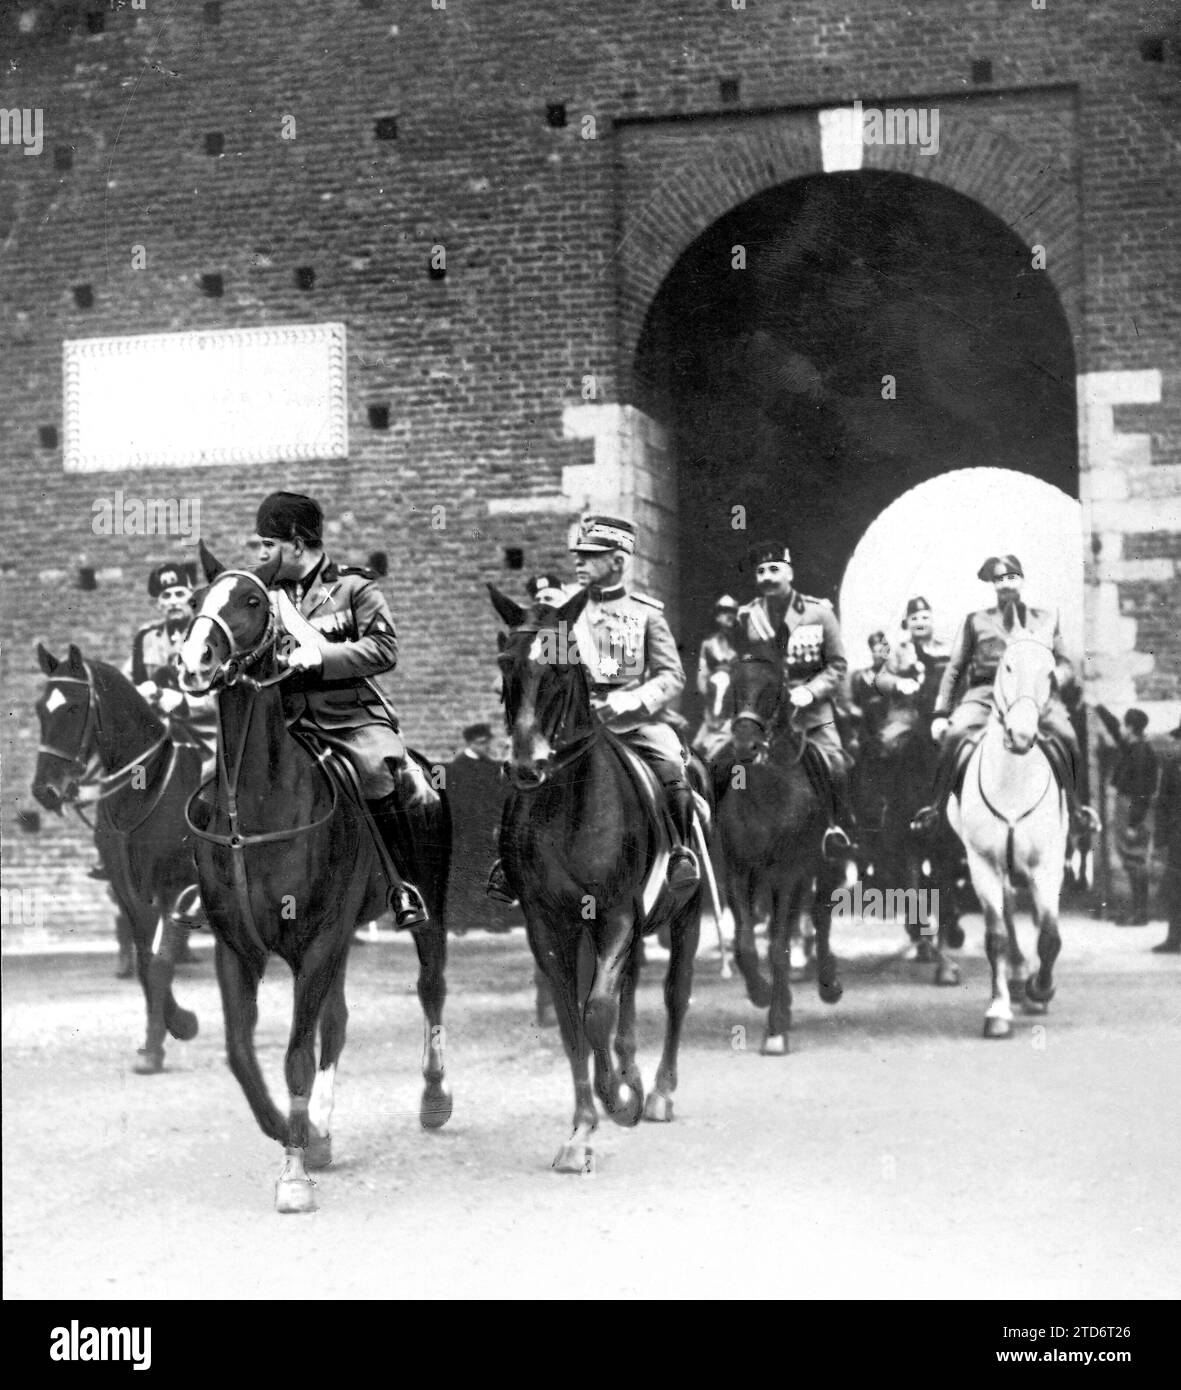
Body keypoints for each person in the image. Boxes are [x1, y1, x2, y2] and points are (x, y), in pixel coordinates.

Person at [246, 490, 433, 930]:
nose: (262, 555)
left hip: (349, 716)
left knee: (376, 769)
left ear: (295, 542)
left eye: (268, 545)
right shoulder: (261, 592)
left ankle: (401, 883)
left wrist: (323, 658)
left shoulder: (353, 587)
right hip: (285, 717)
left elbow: (384, 649)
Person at [488, 515, 700, 899]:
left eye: (590, 556)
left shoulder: (645, 613)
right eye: (578, 555)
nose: (579, 562)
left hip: (634, 723)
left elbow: (672, 677)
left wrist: (627, 700)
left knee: (671, 763)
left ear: (617, 562)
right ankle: (511, 862)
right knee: (524, 769)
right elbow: (544, 669)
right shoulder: (561, 613)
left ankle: (679, 854)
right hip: (573, 726)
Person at [911, 554, 1099, 836]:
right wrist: (940, 712)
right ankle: (935, 808)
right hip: (985, 694)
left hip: (1034, 694)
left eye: (1011, 577)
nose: (1006, 584)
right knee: (954, 734)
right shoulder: (976, 621)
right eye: (999, 579)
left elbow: (1065, 663)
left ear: (1021, 581)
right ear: (993, 585)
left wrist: (1054, 677)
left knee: (1067, 734)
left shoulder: (1044, 619)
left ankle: (1076, 809)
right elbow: (954, 669)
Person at [733, 541, 855, 860]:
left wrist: (811, 690)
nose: (767, 577)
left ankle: (834, 828)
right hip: (765, 713)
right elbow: (744, 665)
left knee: (836, 764)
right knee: (723, 760)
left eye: (774, 570)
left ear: (789, 573)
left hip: (812, 712)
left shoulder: (819, 613)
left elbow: (838, 665)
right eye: (760, 572)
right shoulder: (747, 617)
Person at [446, 720, 513, 933]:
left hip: (489, 830)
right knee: (462, 875)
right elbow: (453, 803)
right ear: (472, 743)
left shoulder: (493, 768)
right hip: (465, 833)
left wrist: (498, 824)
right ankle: (458, 922)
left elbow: (500, 798)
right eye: (482, 743)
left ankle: (495, 920)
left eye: (488, 742)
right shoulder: (456, 769)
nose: (487, 747)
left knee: (494, 874)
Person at [1095, 705, 1159, 925]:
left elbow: (1142, 790)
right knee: (1132, 861)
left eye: (1124, 724)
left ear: (1131, 727)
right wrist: (1099, 708)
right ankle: (1137, 911)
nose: (1121, 728)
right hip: (1130, 808)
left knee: (1136, 861)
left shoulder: (1140, 752)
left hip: (1133, 809)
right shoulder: (1135, 746)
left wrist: (1134, 823)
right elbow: (1115, 730)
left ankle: (1140, 913)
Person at [875, 596, 952, 754]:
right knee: (890, 742)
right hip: (908, 712)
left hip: (941, 710)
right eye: (914, 618)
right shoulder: (900, 651)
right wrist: (899, 683)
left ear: (932, 620)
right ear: (907, 623)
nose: (920, 623)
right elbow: (881, 679)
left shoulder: (947, 649)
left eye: (924, 618)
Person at [692, 595, 739, 757]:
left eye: (733, 611)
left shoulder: (742, 644)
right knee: (697, 750)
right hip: (714, 707)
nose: (729, 615)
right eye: (724, 612)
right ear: (717, 616)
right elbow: (702, 676)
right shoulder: (709, 645)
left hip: (735, 708)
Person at [1152, 719, 1181, 953]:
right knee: (1175, 887)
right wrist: (1161, 839)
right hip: (1178, 835)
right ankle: (1174, 938)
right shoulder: (1173, 764)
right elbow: (1163, 803)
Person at [848, 630, 892, 757]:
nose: (877, 655)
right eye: (874, 651)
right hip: (866, 729)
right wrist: (855, 736)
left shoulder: (893, 675)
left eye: (881, 651)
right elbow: (856, 706)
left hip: (887, 726)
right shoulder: (862, 676)